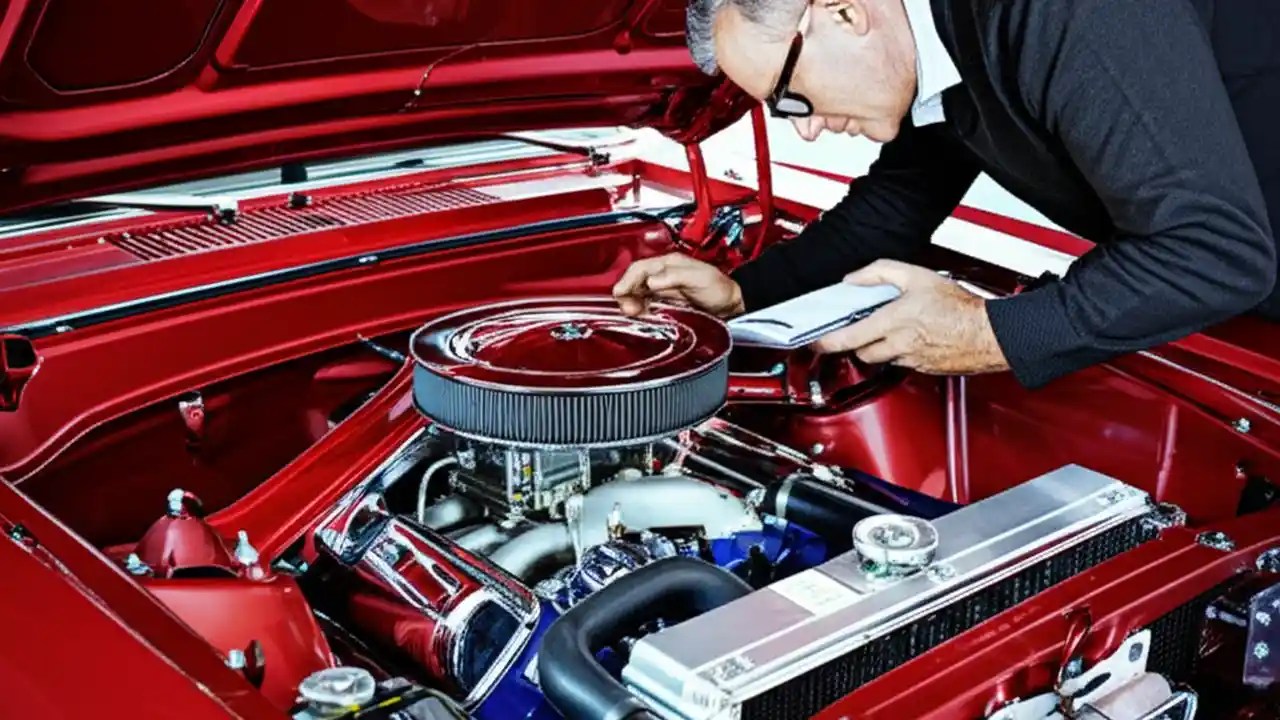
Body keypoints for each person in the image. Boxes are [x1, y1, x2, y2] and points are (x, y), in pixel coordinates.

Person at [611, 0, 1279, 388]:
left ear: (844, 12)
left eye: (791, 98)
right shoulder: (944, 49)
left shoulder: (1065, 11)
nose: (807, 129)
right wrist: (746, 294)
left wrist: (985, 332)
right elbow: (894, 205)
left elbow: (1214, 250)